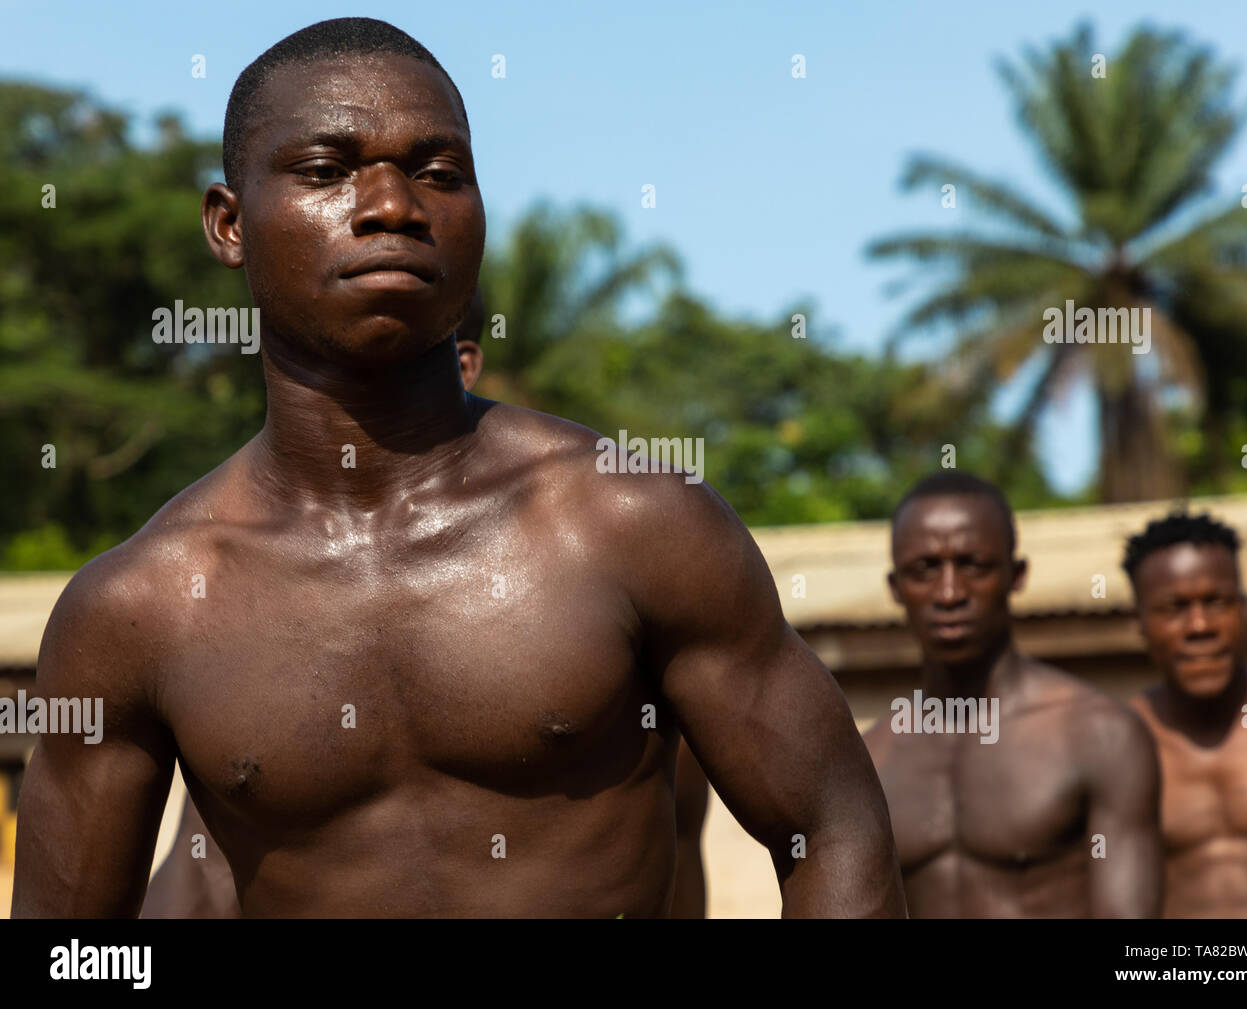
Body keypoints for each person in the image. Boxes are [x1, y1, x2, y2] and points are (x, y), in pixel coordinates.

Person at [15, 17, 903, 918]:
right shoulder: (139, 609)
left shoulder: (631, 522)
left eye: (439, 174)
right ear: (229, 223)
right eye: (327, 171)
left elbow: (833, 828)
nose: (392, 206)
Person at [140, 285, 714, 917]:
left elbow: (690, 871)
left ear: (461, 365)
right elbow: (186, 893)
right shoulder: (223, 620)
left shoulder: (630, 566)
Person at [863, 471, 1162, 917]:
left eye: (973, 565)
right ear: (895, 588)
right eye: (924, 570)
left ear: (1016, 574)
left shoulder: (1099, 735)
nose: (949, 593)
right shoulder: (868, 761)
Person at [1126, 511, 1247, 917]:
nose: (1200, 626)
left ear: (1245, 610)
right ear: (1140, 623)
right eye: (1174, 608)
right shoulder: (1120, 743)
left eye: (1216, 602)